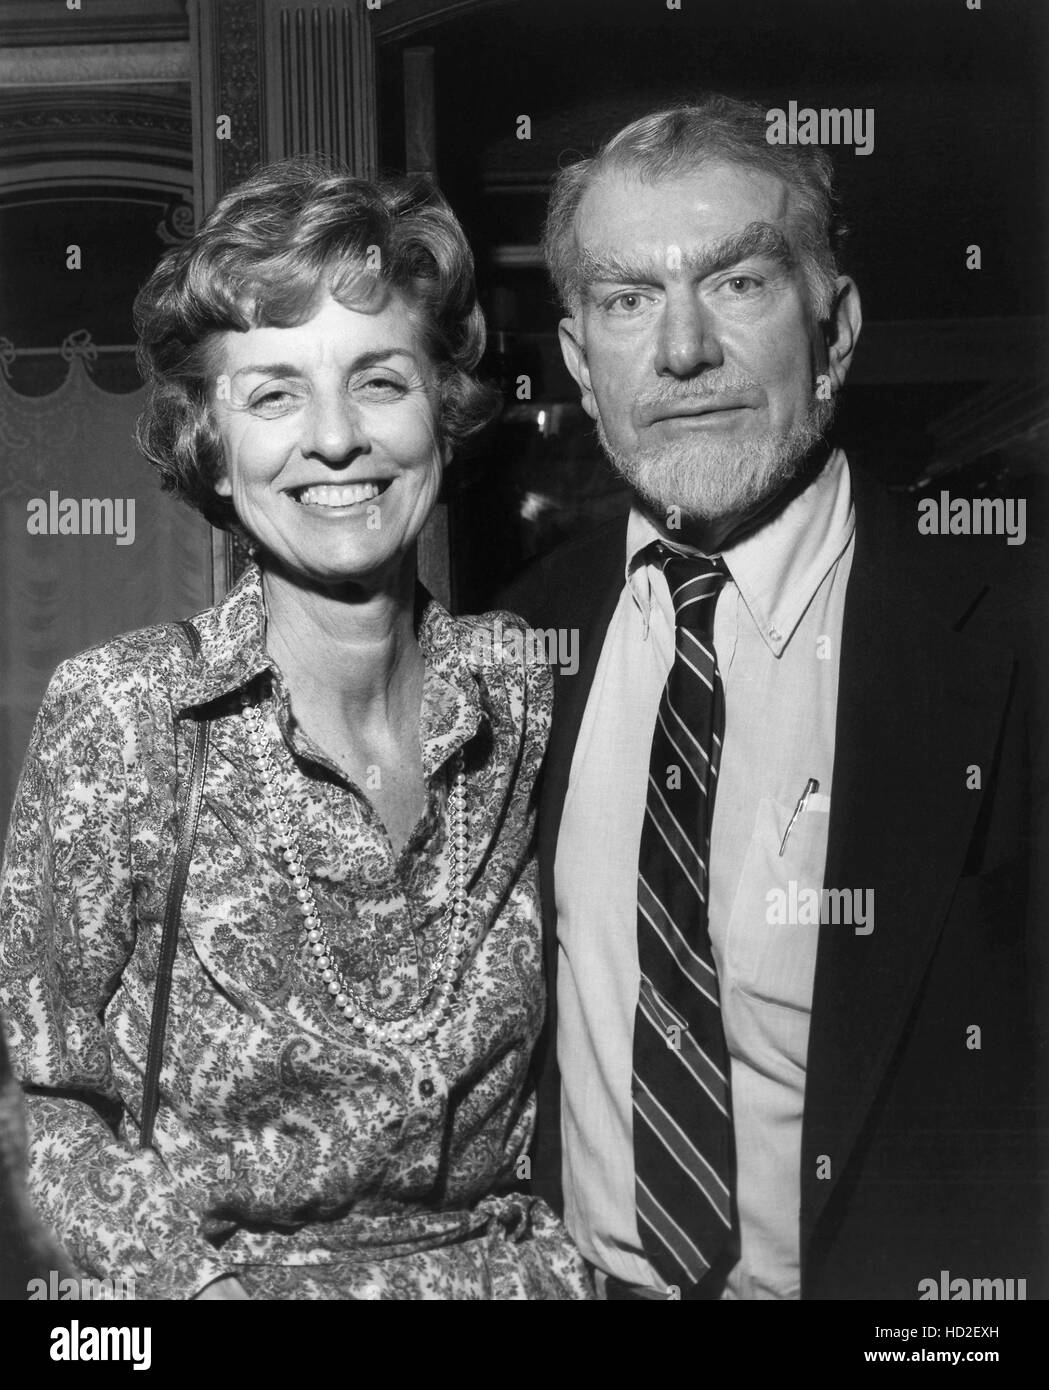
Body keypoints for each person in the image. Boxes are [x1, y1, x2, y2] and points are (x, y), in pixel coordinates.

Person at [0, 158, 592, 1301]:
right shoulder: (125, 716)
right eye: (273, 393)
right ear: (210, 442)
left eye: (378, 381)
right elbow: (36, 1095)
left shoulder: (520, 691)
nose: (334, 439)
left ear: (444, 407)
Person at [504, 96, 1047, 1300]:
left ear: (834, 323)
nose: (681, 349)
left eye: (736, 282)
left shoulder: (1010, 631)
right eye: (626, 298)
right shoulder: (519, 641)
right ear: (580, 363)